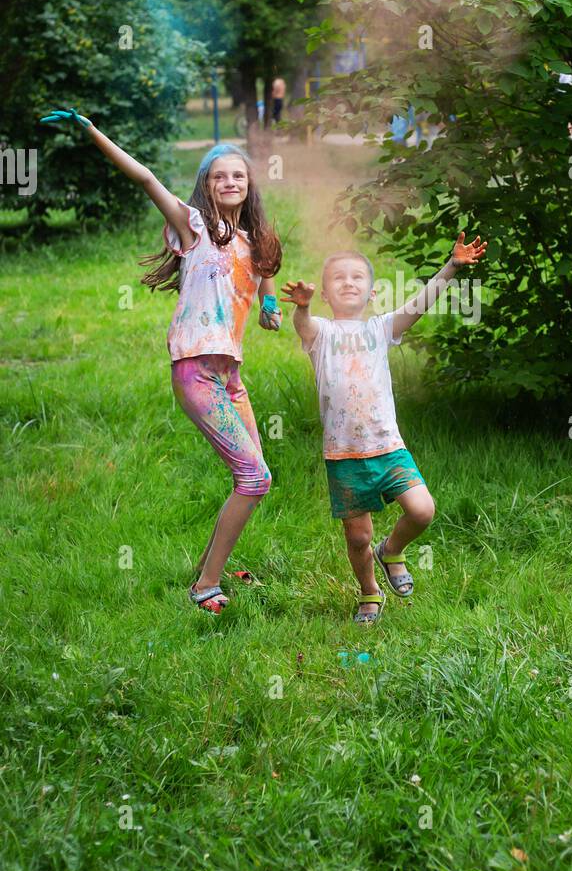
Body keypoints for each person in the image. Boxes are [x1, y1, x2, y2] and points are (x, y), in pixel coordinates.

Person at [39, 112, 283, 614]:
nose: (230, 181)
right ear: (206, 185)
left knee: (258, 478)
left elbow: (264, 272)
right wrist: (91, 131)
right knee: (253, 477)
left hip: (230, 376)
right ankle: (204, 586)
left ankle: (208, 566)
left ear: (249, 184)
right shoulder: (193, 226)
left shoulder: (253, 242)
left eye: (238, 175)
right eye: (220, 175)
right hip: (195, 371)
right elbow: (147, 176)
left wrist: (271, 306)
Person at [283, 233, 487, 623]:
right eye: (338, 278)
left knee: (423, 511)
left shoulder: (380, 329)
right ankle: (369, 592)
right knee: (357, 537)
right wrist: (302, 308)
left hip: (388, 447)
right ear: (324, 293)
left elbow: (418, 305)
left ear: (372, 291)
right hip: (344, 455)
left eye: (357, 277)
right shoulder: (321, 333)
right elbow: (303, 324)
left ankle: (391, 549)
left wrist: (452, 266)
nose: (348, 282)